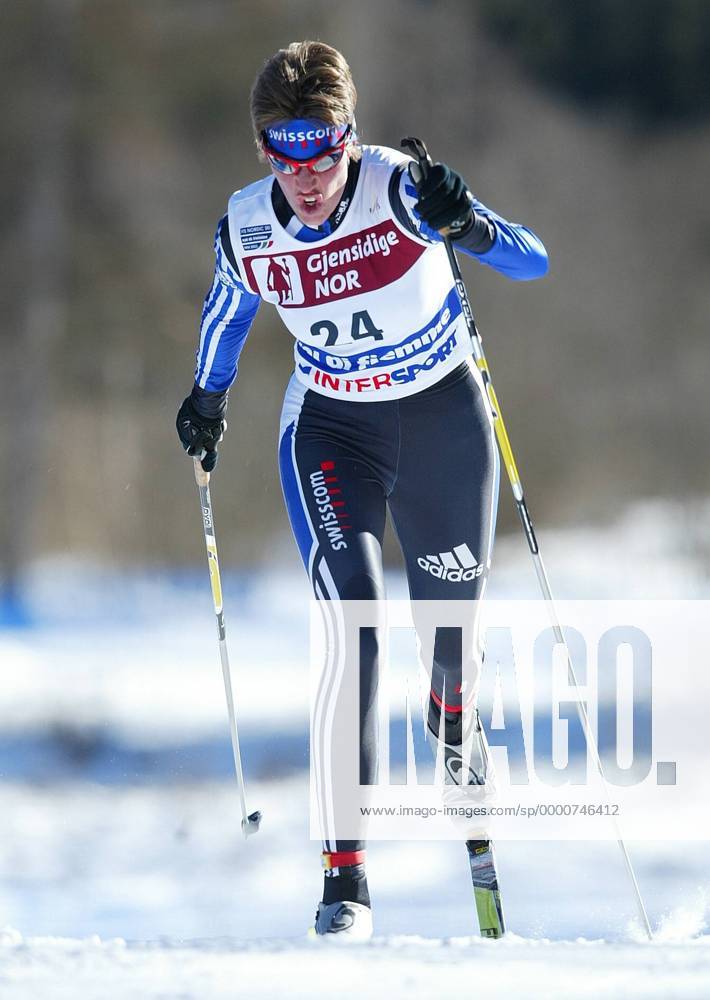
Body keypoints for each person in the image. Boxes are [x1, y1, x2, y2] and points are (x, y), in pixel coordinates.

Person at [177, 40, 548, 940]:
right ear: (264, 149)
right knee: (351, 622)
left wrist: (467, 224)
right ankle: (345, 874)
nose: (304, 174)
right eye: (282, 149)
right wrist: (206, 396)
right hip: (333, 432)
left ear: (350, 135)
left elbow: (532, 262)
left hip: (442, 423)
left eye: (321, 145)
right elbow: (228, 316)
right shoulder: (246, 227)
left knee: (449, 640)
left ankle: (453, 715)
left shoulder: (403, 189)